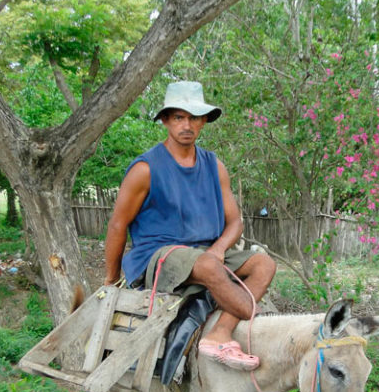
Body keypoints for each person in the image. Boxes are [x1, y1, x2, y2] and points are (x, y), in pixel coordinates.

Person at [104, 81, 276, 371]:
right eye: (179, 117)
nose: (187, 125)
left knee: (264, 264)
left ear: (204, 121)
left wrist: (220, 249)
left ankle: (220, 333)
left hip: (206, 254)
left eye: (194, 117)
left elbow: (236, 222)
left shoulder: (214, 166)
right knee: (208, 268)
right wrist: (110, 280)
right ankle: (248, 311)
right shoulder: (145, 169)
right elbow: (117, 225)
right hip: (159, 255)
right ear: (166, 121)